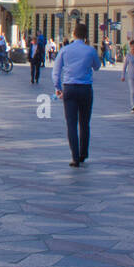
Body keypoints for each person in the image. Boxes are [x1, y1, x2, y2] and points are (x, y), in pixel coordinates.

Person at [53, 22, 101, 167]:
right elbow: (97, 66)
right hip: (85, 88)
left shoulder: (65, 50)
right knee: (84, 123)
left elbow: (56, 70)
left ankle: (74, 157)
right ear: (85, 35)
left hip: (69, 88)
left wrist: (57, 87)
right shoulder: (90, 50)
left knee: (71, 124)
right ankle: (83, 153)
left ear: (74, 34)